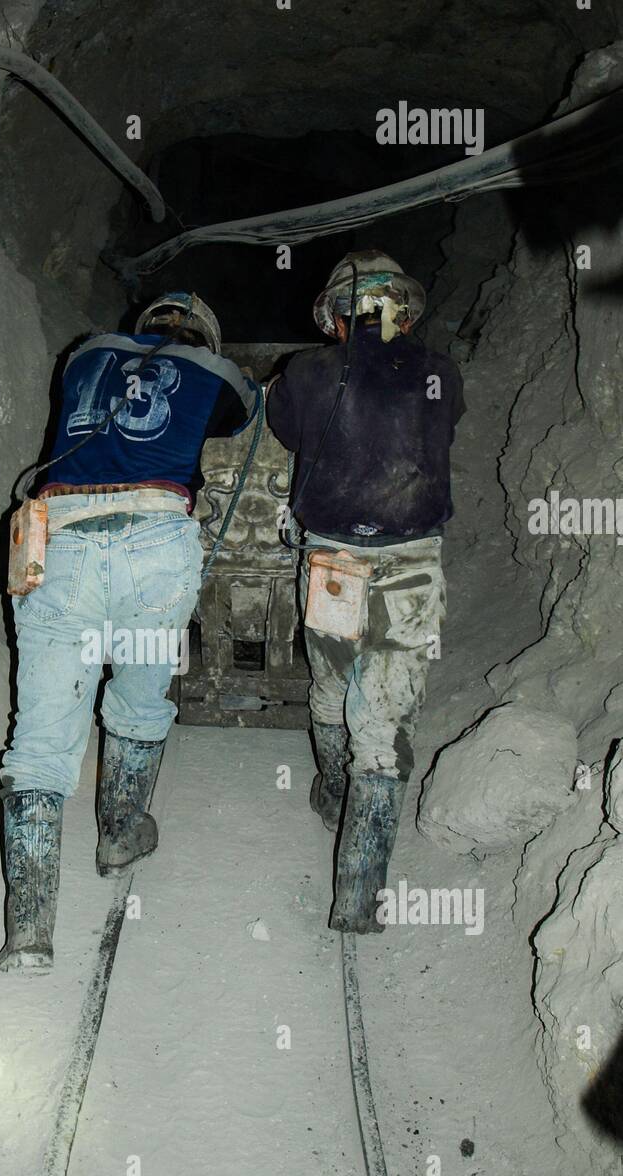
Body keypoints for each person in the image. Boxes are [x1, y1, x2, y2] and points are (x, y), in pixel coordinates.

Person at [0, 292, 258, 972]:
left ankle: (28, 937)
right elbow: (243, 412)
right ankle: (118, 835)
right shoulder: (214, 369)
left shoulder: (86, 353)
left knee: (40, 740)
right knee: (139, 701)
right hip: (154, 544)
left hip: (60, 541)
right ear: (203, 336)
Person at [266, 251, 466, 934]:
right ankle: (358, 898)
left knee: (331, 683)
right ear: (403, 312)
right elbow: (441, 426)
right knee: (383, 728)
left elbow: (286, 429)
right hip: (410, 565)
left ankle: (331, 794)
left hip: (333, 563)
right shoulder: (440, 372)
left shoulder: (306, 371)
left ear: (335, 318)